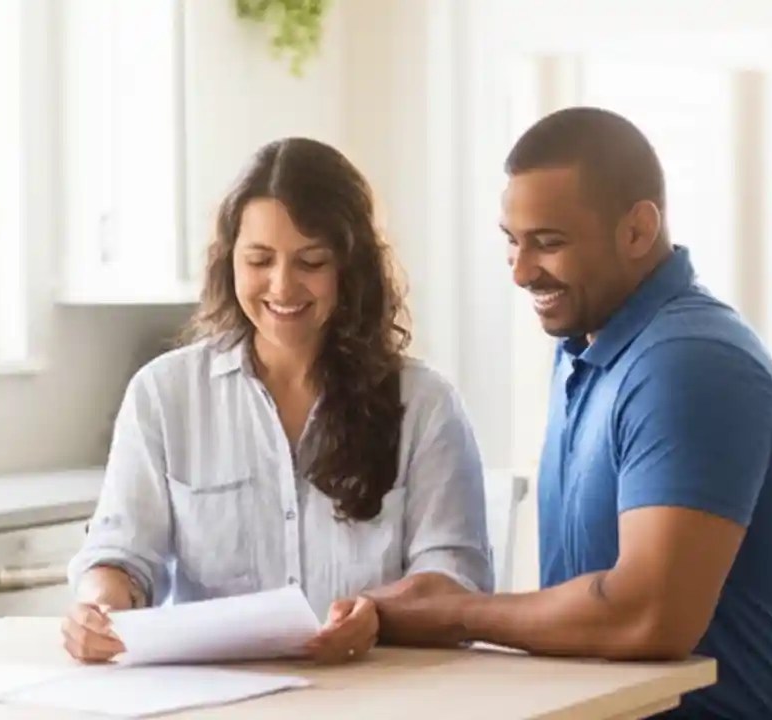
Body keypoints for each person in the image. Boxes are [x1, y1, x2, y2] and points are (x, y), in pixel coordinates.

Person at [359, 107, 772, 718]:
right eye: (512, 241)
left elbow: (649, 616)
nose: (522, 271)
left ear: (637, 230)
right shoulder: (587, 344)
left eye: (549, 243)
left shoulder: (690, 364)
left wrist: (454, 613)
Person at [62, 136, 492, 665]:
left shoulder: (426, 405)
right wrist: (98, 608)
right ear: (230, 262)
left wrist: (378, 614)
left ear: (350, 269)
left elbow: (456, 580)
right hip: (220, 697)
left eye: (311, 262)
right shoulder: (163, 395)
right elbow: (121, 557)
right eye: (259, 260)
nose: (283, 286)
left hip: (376, 693)